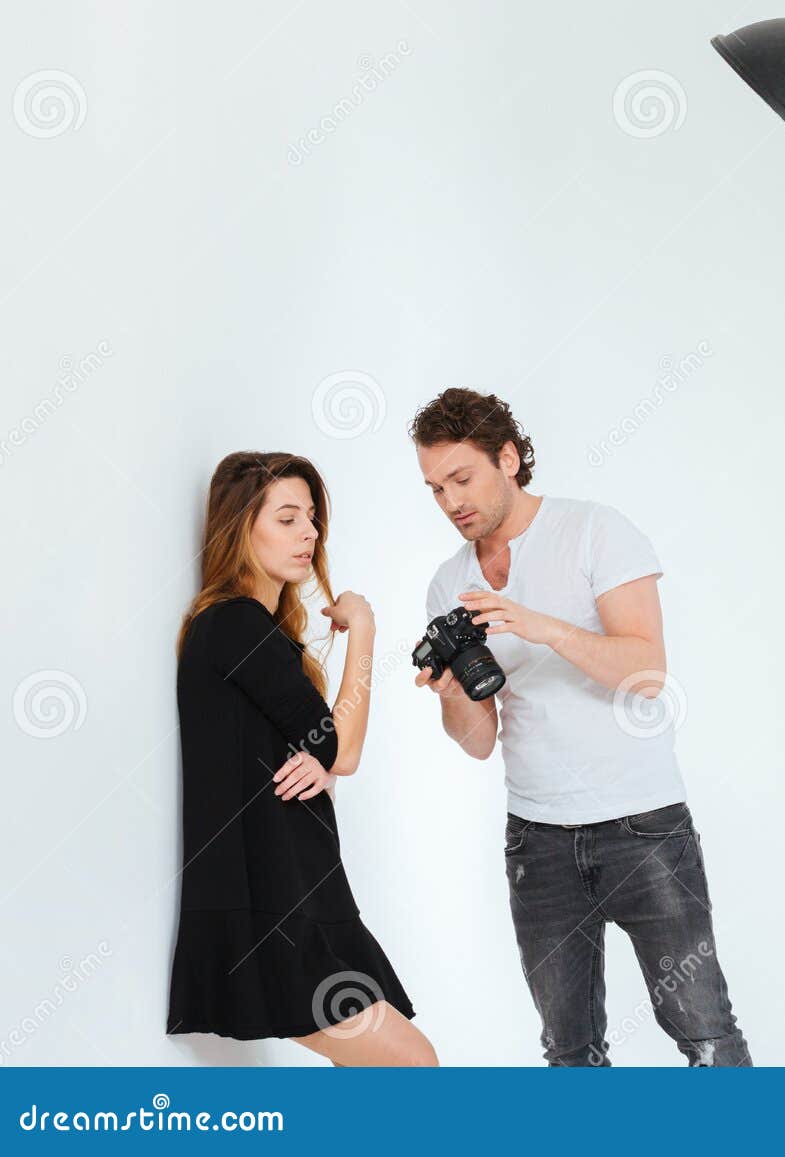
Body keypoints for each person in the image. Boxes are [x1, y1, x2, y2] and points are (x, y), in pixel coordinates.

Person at [410, 388, 750, 1066]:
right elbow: (479, 741)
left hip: (643, 826)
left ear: (508, 459)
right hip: (537, 841)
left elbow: (646, 671)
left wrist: (541, 627)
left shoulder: (595, 530)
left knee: (706, 1034)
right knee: (569, 1051)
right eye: (435, 488)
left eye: (462, 478)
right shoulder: (449, 585)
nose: (451, 501)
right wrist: (450, 696)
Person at [167, 451, 436, 1066]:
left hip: (302, 896)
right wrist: (363, 627)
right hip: (272, 911)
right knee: (413, 1063)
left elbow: (323, 758)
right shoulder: (234, 625)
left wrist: (321, 761)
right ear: (240, 528)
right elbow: (344, 749)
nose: (309, 533)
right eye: (287, 518)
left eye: (311, 518)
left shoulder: (262, 633)